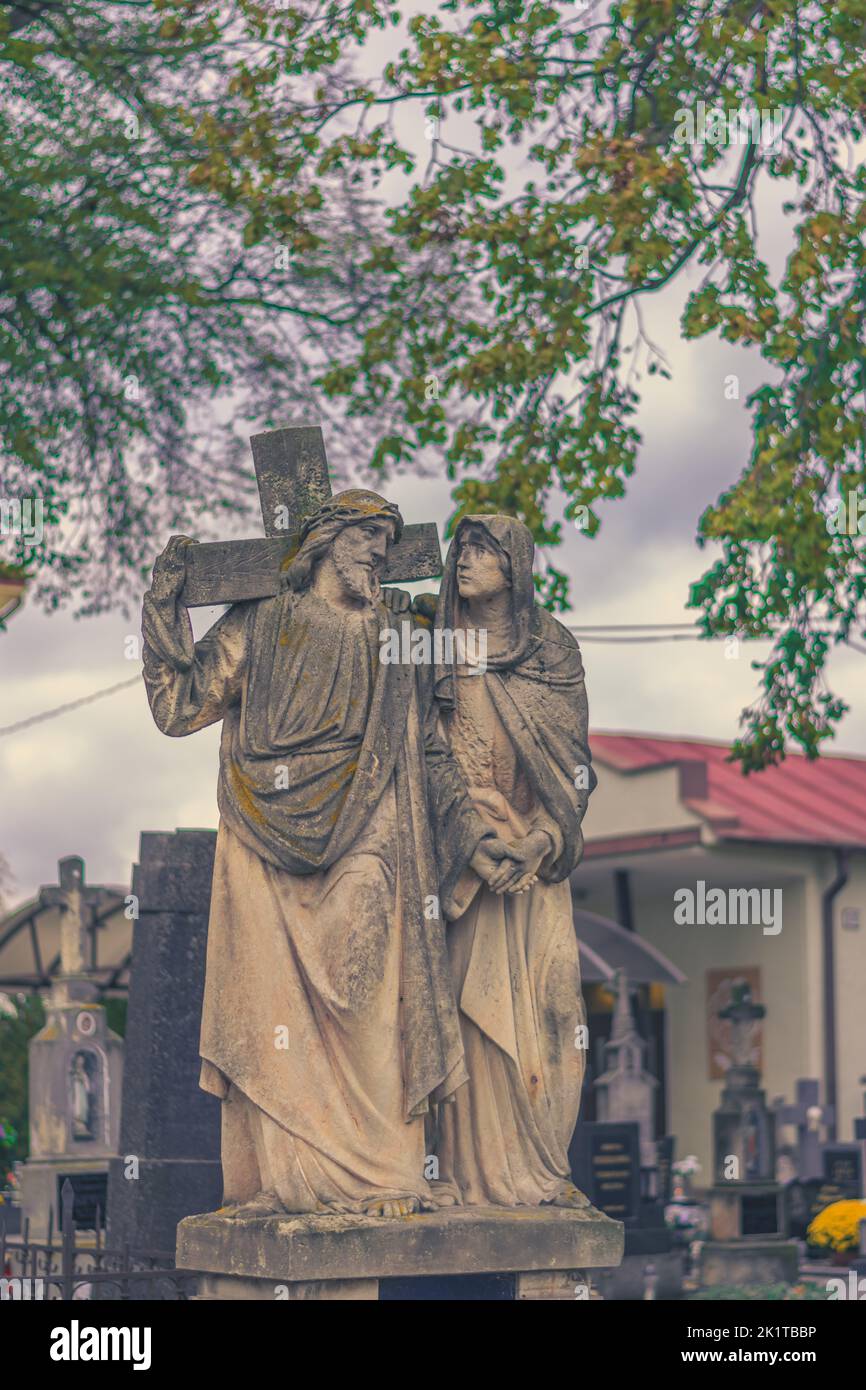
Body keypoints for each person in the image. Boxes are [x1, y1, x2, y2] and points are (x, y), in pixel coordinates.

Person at [141, 490, 513, 1218]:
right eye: (366, 536)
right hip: (262, 829)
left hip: (369, 820)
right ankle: (287, 1181)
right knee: (267, 1002)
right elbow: (180, 706)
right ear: (324, 540)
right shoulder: (261, 620)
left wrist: (471, 832)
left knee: (366, 970)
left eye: (386, 540)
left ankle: (384, 1171)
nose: (378, 552)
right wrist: (163, 609)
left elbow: (432, 750)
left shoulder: (395, 633)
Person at [430, 515, 596, 1207]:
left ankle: (542, 1168)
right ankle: (479, 1178)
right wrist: (472, 837)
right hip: (466, 868)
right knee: (473, 1018)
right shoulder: (434, 646)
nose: (464, 559)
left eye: (481, 549)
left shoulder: (552, 650)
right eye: (460, 547)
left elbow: (574, 773)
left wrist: (542, 841)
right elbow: (424, 757)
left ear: (514, 564)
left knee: (556, 1015)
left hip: (534, 867)